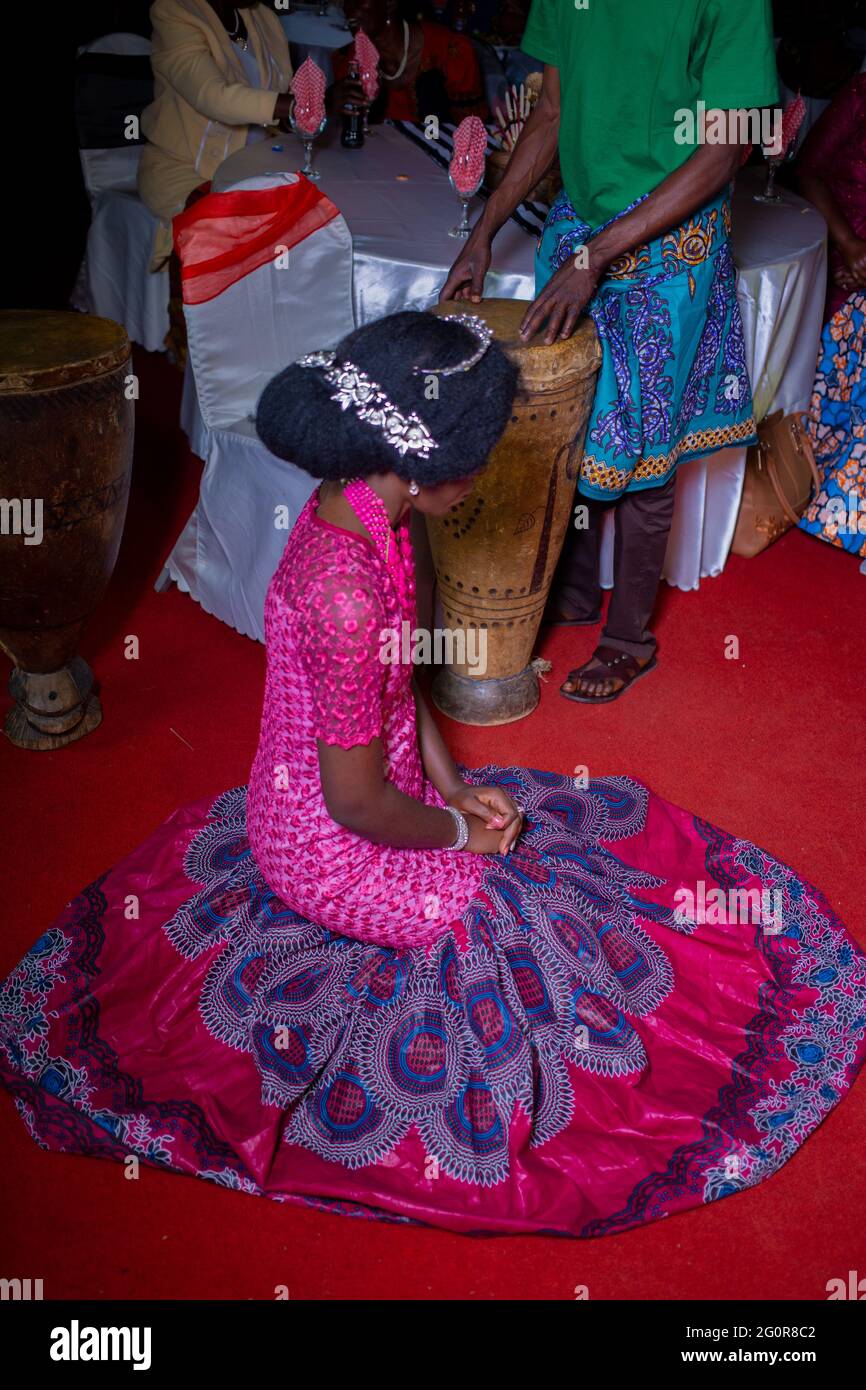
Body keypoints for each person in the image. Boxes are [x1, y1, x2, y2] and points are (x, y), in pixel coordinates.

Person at [1, 310, 863, 1238]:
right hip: (326, 841)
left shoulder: (373, 517)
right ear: (422, 463)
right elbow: (355, 800)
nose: (483, 471)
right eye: (477, 454)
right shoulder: (343, 589)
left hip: (378, 790)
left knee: (534, 859)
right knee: (512, 917)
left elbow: (399, 679)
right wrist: (462, 835)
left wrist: (453, 790)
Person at [441, 0, 778, 703]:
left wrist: (597, 258)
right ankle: (575, 587)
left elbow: (725, 149)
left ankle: (630, 639)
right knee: (573, 421)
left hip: (668, 245)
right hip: (580, 228)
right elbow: (553, 111)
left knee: (646, 449)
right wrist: (485, 228)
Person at [138, 0, 293, 274]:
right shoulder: (174, 11)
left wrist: (319, 101)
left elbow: (282, 100)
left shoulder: (262, 17)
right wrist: (298, 106)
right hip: (189, 171)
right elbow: (213, 96)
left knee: (311, 221)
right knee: (250, 238)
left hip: (257, 169)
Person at [332, 0, 487, 124]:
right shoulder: (348, 60)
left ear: (390, 3)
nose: (348, 7)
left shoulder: (449, 51)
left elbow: (473, 129)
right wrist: (329, 106)